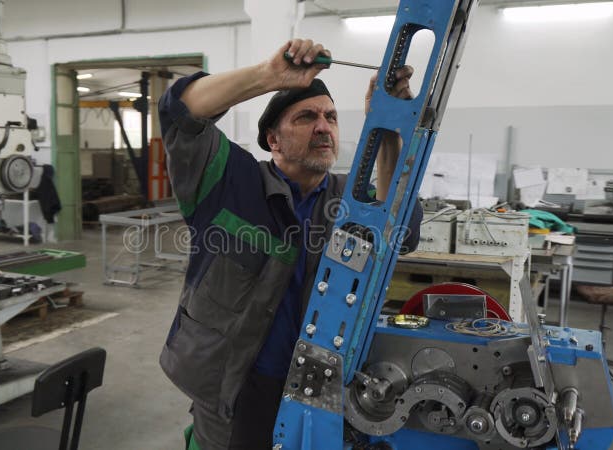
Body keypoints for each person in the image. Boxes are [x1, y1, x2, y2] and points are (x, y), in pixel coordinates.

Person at [158, 39, 423, 450]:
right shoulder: (229, 183)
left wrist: (387, 126)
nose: (324, 127)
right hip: (234, 389)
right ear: (273, 139)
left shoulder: (350, 201)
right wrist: (269, 76)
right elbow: (180, 110)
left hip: (322, 388)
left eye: (331, 117)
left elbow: (400, 230)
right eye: (306, 117)